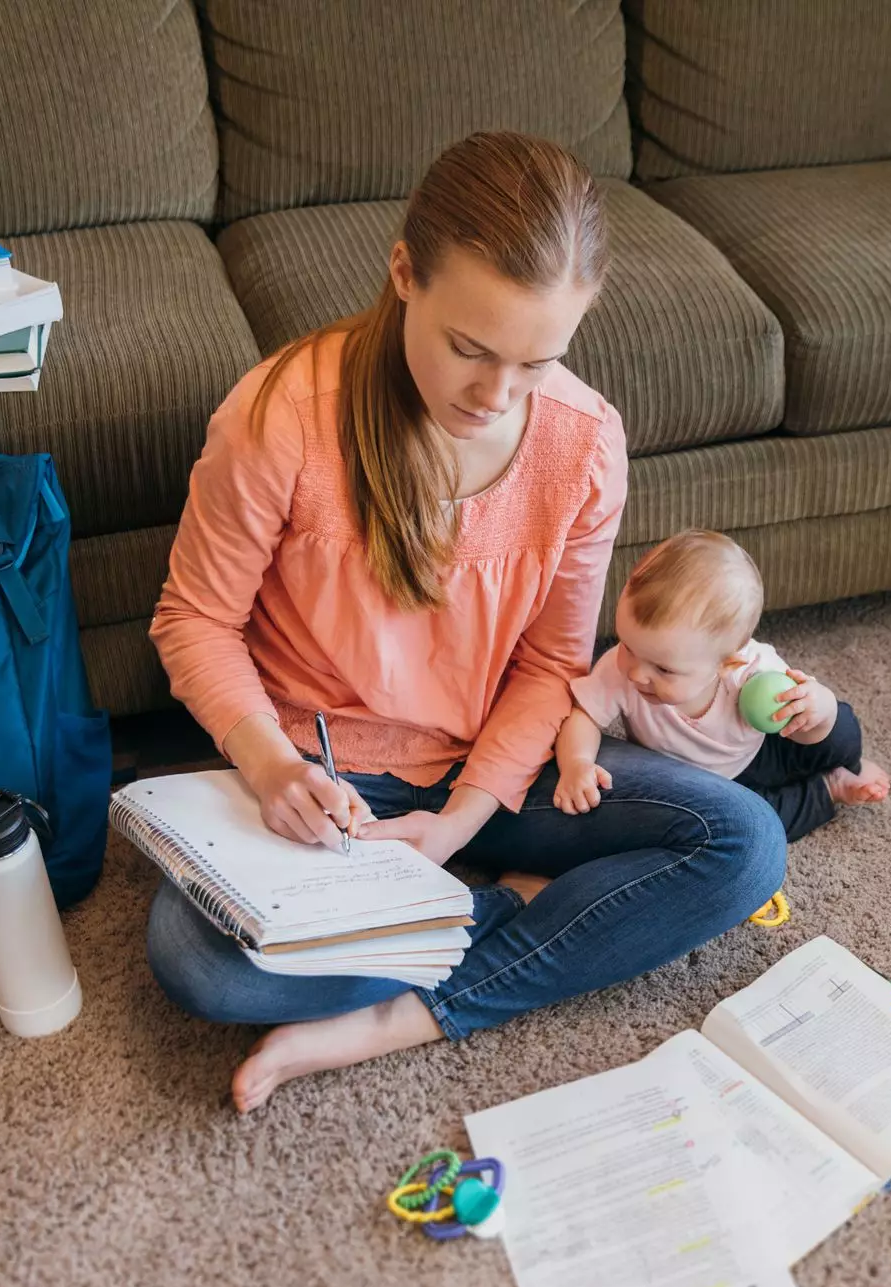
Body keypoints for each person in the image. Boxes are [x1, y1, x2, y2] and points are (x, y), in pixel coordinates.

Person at [147, 132, 785, 1112]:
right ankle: (516, 909)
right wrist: (274, 769)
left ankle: (414, 1001)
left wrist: (458, 823)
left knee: (742, 841)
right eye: (469, 348)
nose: (495, 398)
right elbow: (193, 620)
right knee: (206, 969)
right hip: (328, 769)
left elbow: (553, 661)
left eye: (537, 362)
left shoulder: (583, 442)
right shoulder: (280, 417)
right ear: (405, 274)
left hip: (496, 764)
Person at [554, 530, 891, 842]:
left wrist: (815, 713)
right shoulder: (619, 669)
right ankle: (829, 789)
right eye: (627, 645)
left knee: (838, 724)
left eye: (663, 669)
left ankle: (846, 755)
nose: (636, 673)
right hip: (705, 785)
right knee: (750, 825)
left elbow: (800, 732)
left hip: (765, 749)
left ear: (727, 663)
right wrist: (577, 763)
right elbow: (584, 715)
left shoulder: (751, 670)